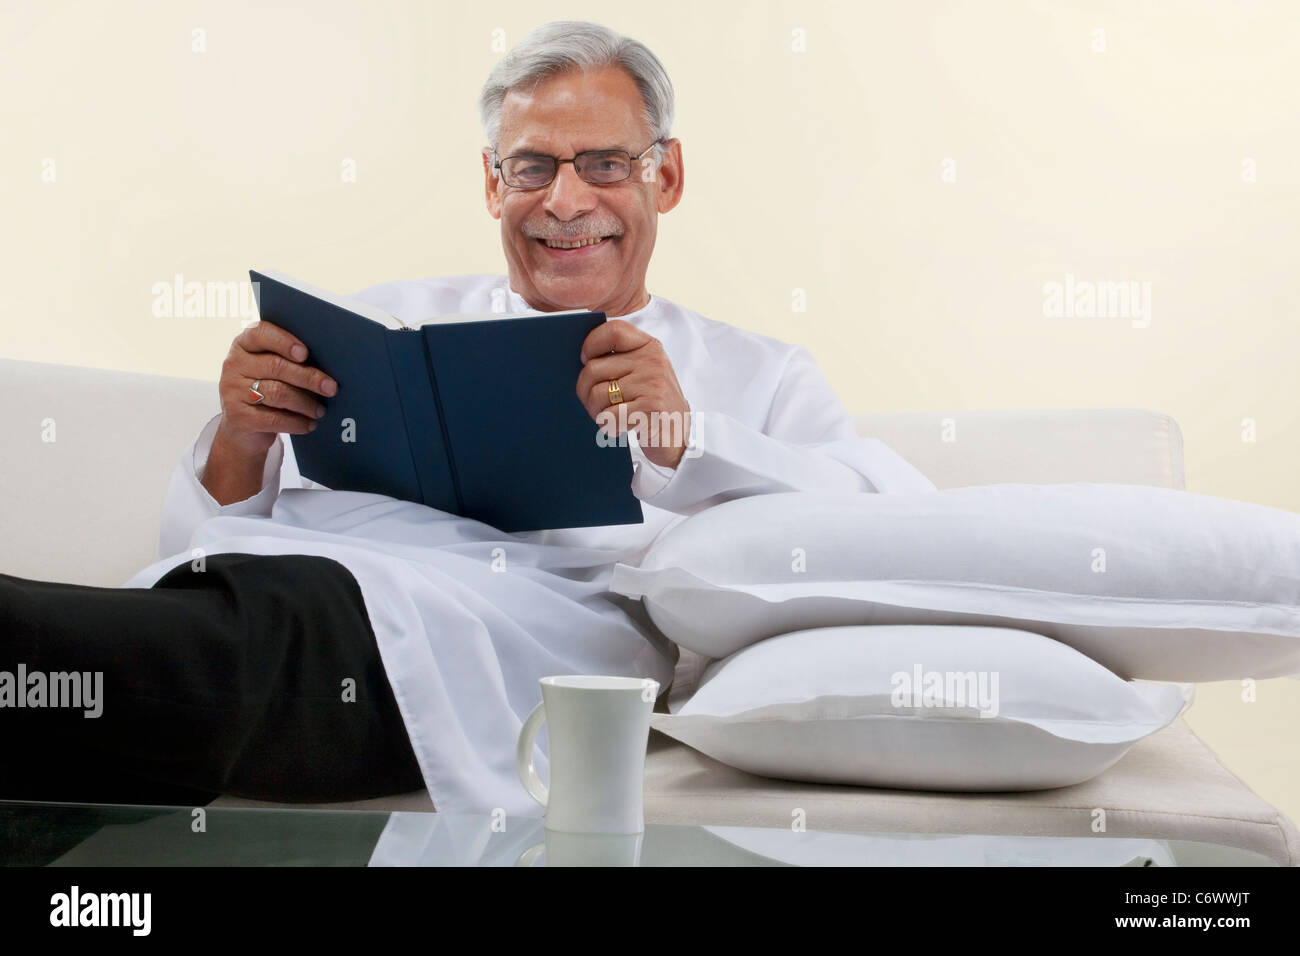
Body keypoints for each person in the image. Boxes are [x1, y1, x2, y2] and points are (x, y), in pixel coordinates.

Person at [0, 20, 935, 815]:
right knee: (144, 650)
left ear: (668, 176)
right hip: (258, 593)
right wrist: (245, 433)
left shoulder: (758, 374)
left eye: (606, 163)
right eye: (531, 167)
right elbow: (199, 540)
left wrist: (688, 441)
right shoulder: (388, 318)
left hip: (437, 649)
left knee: (163, 657)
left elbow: (890, 519)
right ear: (493, 184)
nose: (566, 201)